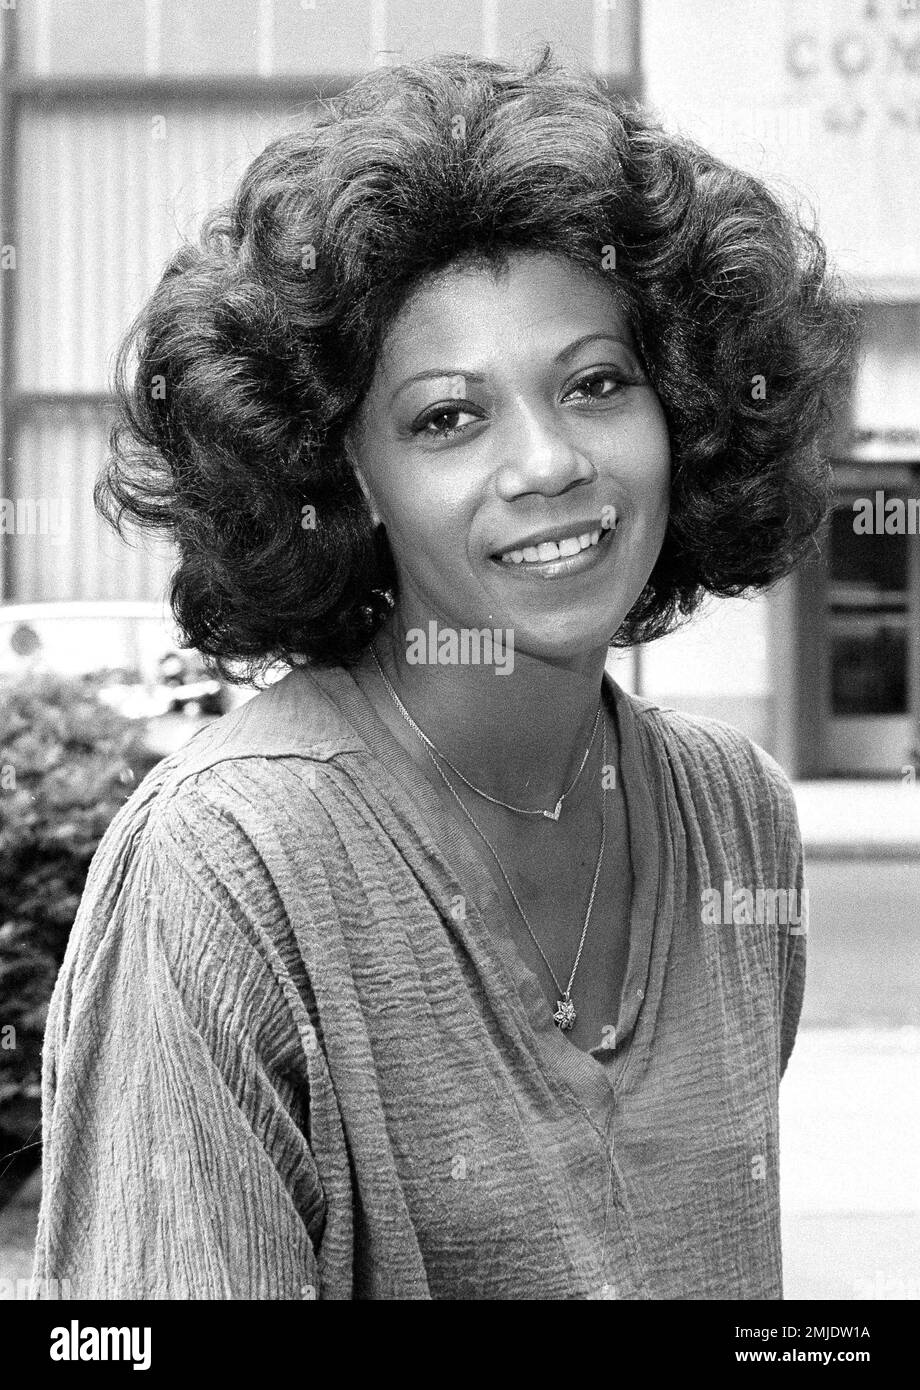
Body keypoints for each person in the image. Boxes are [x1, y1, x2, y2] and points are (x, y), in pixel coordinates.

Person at [33, 49, 858, 1300]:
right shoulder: (228, 873)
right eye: (446, 417)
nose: (545, 464)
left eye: (594, 384)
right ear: (347, 474)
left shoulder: (736, 822)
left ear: (677, 413)